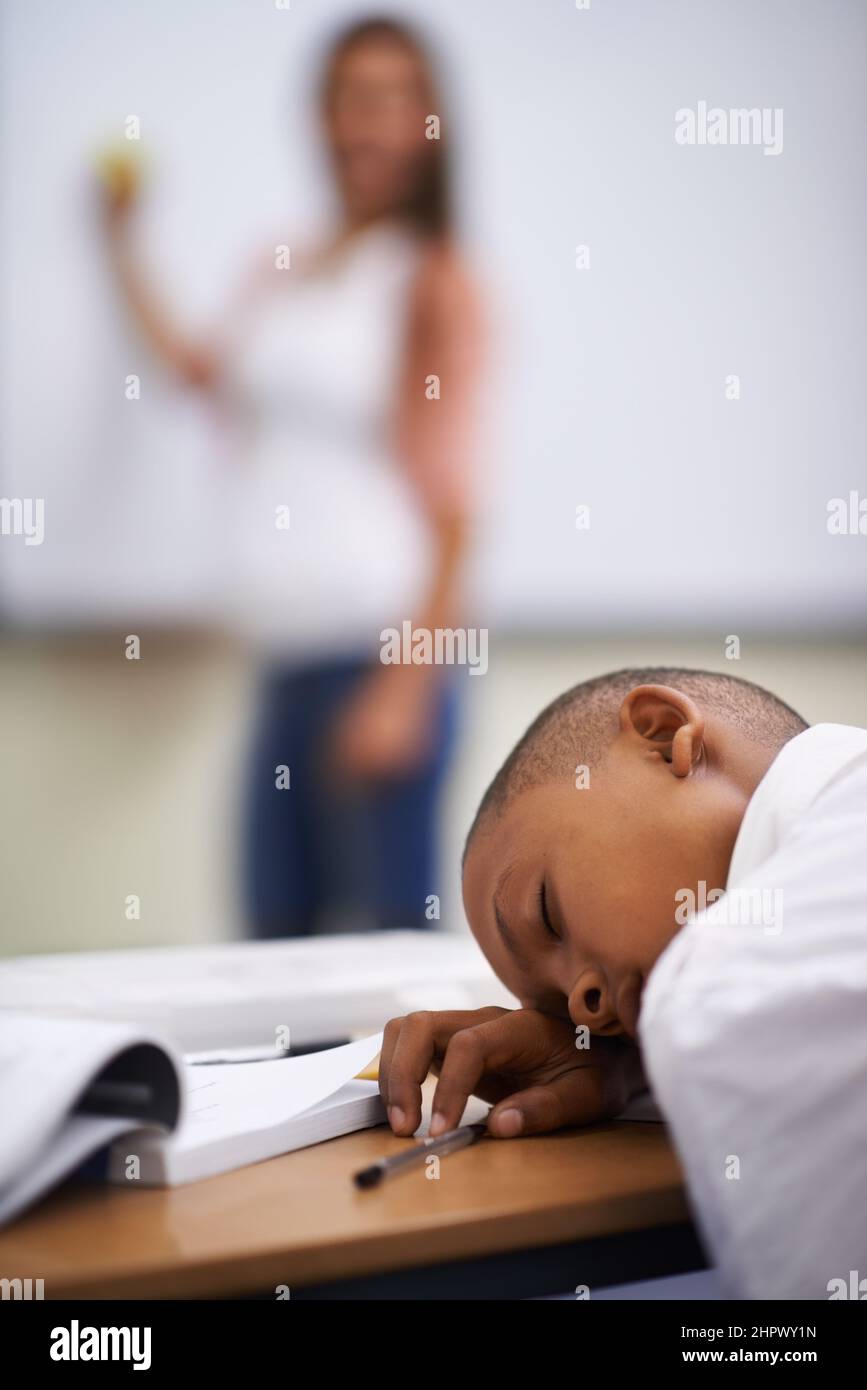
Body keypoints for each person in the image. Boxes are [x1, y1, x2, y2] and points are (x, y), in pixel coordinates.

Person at [101, 17, 485, 936]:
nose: (368, 123)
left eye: (393, 99)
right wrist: (120, 242)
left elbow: (453, 505)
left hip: (377, 657)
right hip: (283, 664)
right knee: (271, 958)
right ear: (320, 118)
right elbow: (199, 373)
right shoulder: (283, 268)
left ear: (428, 123)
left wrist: (404, 690)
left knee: (383, 967)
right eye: (351, 97)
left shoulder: (431, 280)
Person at [378, 666, 867, 1298]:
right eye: (557, 1011)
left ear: (664, 737)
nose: (585, 1014)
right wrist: (628, 1068)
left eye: (547, 911)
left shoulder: (725, 994)